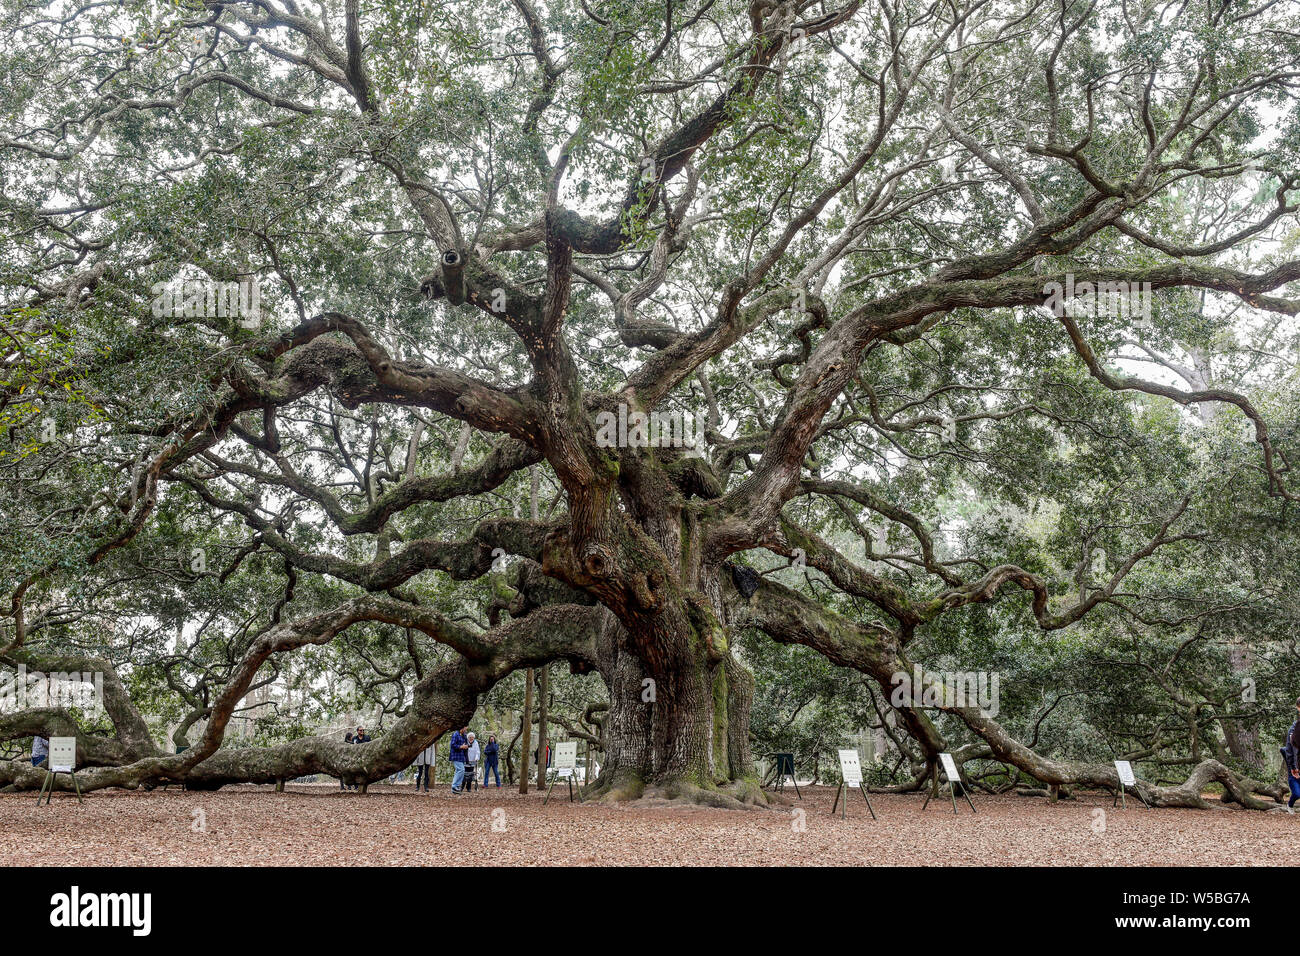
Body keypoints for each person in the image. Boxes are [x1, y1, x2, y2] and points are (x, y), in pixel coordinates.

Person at [1283, 697, 1300, 813]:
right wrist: (1293, 767)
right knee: (1297, 793)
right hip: (1295, 765)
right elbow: (1290, 750)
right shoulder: (1294, 728)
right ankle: (1290, 805)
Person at [449, 726, 469, 793]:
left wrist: (466, 746)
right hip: (455, 755)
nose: (466, 730)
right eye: (465, 729)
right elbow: (453, 745)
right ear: (462, 728)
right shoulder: (455, 734)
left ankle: (455, 787)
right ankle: (455, 786)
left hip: (461, 756)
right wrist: (461, 746)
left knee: (459, 770)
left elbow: (466, 744)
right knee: (461, 769)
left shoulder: (464, 735)